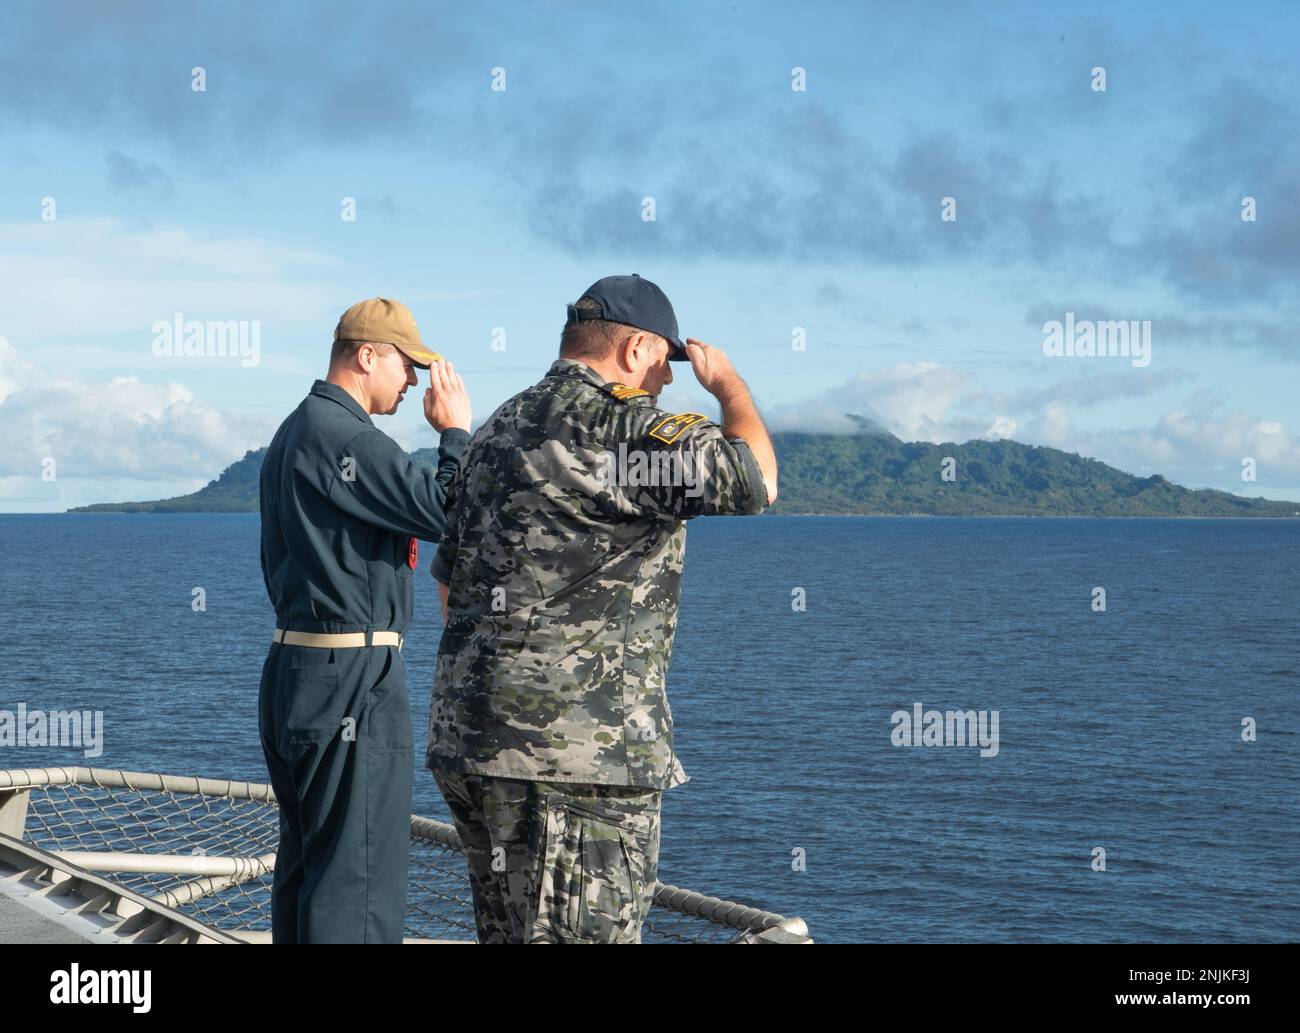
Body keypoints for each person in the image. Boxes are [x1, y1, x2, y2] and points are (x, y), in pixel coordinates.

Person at [427, 274, 778, 943]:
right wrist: (729, 385)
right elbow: (756, 477)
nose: (668, 382)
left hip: (472, 743)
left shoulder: (495, 431)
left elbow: (451, 583)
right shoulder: (625, 431)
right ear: (638, 347)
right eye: (667, 365)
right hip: (578, 767)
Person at [258, 297, 472, 943]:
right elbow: (451, 512)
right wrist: (455, 434)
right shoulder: (347, 436)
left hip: (297, 666)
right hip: (354, 674)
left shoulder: (298, 428)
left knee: (308, 867)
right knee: (359, 873)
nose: (413, 380)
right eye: (407, 364)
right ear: (366, 355)